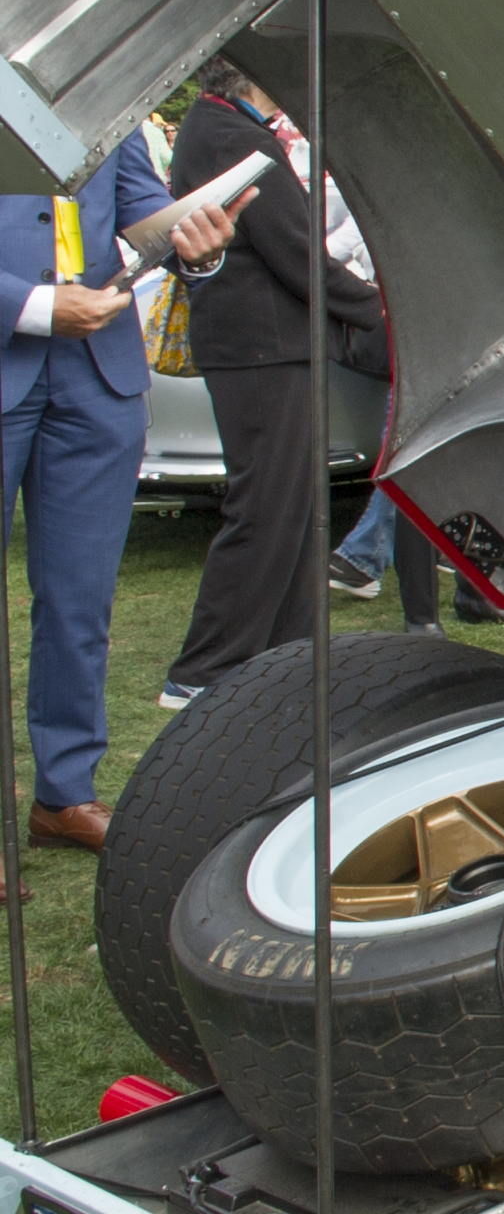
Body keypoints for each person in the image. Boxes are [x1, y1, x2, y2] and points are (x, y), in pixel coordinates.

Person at [0, 120, 246, 850]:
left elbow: (147, 220)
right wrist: (35, 309)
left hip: (98, 382)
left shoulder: (108, 103)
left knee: (80, 600)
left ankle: (65, 795)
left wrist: (199, 243)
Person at [161, 59, 384, 708]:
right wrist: (378, 308)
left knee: (297, 508)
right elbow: (297, 254)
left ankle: (289, 659)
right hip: (260, 349)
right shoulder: (231, 134)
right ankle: (206, 666)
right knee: (266, 508)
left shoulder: (219, 127)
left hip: (270, 345)